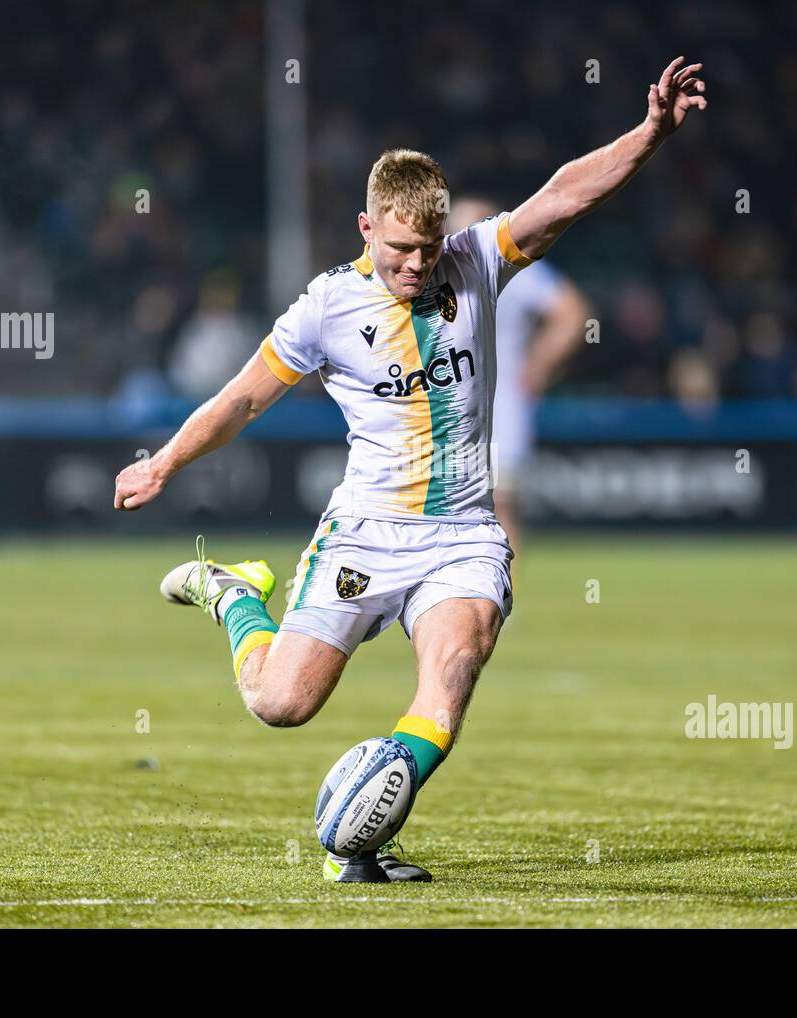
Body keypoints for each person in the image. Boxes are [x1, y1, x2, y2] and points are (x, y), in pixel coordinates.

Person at [112, 56, 707, 882]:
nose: (416, 267)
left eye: (427, 250)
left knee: (453, 674)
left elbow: (566, 194)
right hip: (365, 530)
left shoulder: (479, 259)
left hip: (462, 534)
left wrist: (647, 136)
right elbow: (244, 399)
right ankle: (235, 595)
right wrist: (167, 460)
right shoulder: (326, 308)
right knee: (280, 704)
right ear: (365, 228)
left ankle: (360, 841)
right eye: (398, 250)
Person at [447, 197, 591, 578]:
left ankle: (497, 596)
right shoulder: (444, 271)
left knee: (499, 501)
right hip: (453, 404)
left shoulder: (514, 270)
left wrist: (538, 365)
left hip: (500, 404)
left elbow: (572, 312)